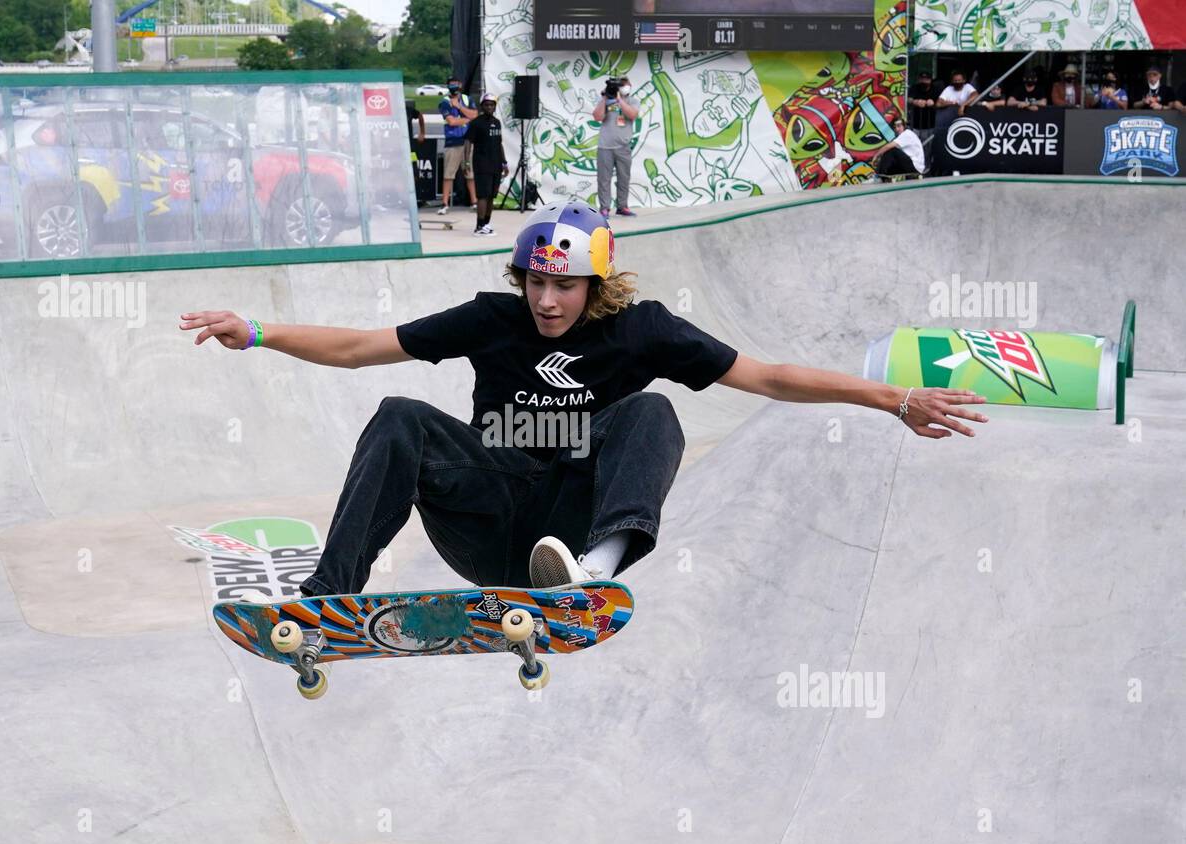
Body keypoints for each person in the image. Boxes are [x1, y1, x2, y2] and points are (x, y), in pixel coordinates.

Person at [179, 201, 988, 597]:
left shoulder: (644, 332)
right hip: (488, 516)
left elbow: (769, 376)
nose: (547, 301)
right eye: (536, 281)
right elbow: (361, 350)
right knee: (400, 416)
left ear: (595, 283)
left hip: (566, 528)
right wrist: (258, 329)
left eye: (564, 286)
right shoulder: (489, 318)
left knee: (652, 410)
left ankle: (597, 570)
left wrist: (891, 398)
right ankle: (328, 599)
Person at [592, 78, 640, 218]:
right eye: (621, 86)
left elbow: (632, 115)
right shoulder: (605, 100)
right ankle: (604, 208)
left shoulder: (633, 101)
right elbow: (597, 117)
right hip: (605, 146)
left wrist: (619, 100)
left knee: (624, 178)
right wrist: (605, 98)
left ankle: (622, 206)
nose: (624, 88)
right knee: (604, 179)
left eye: (625, 86)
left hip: (623, 146)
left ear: (629, 87)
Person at [465, 93, 509, 237]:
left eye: (492, 105)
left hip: (496, 164)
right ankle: (479, 226)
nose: (489, 107)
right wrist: (466, 161)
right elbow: (468, 142)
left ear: (495, 107)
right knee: (483, 195)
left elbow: (499, 143)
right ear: (482, 106)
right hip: (482, 164)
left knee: (491, 196)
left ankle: (486, 223)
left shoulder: (497, 122)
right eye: (486, 104)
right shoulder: (476, 123)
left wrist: (504, 162)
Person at [438, 77, 477, 215]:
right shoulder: (444, 102)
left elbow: (475, 115)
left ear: (460, 85)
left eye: (456, 83)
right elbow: (452, 122)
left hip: (468, 142)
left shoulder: (467, 100)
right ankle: (444, 204)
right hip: (453, 143)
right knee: (449, 174)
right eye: (451, 84)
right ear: (448, 86)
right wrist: (467, 119)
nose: (454, 86)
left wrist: (460, 107)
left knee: (470, 173)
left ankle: (474, 202)